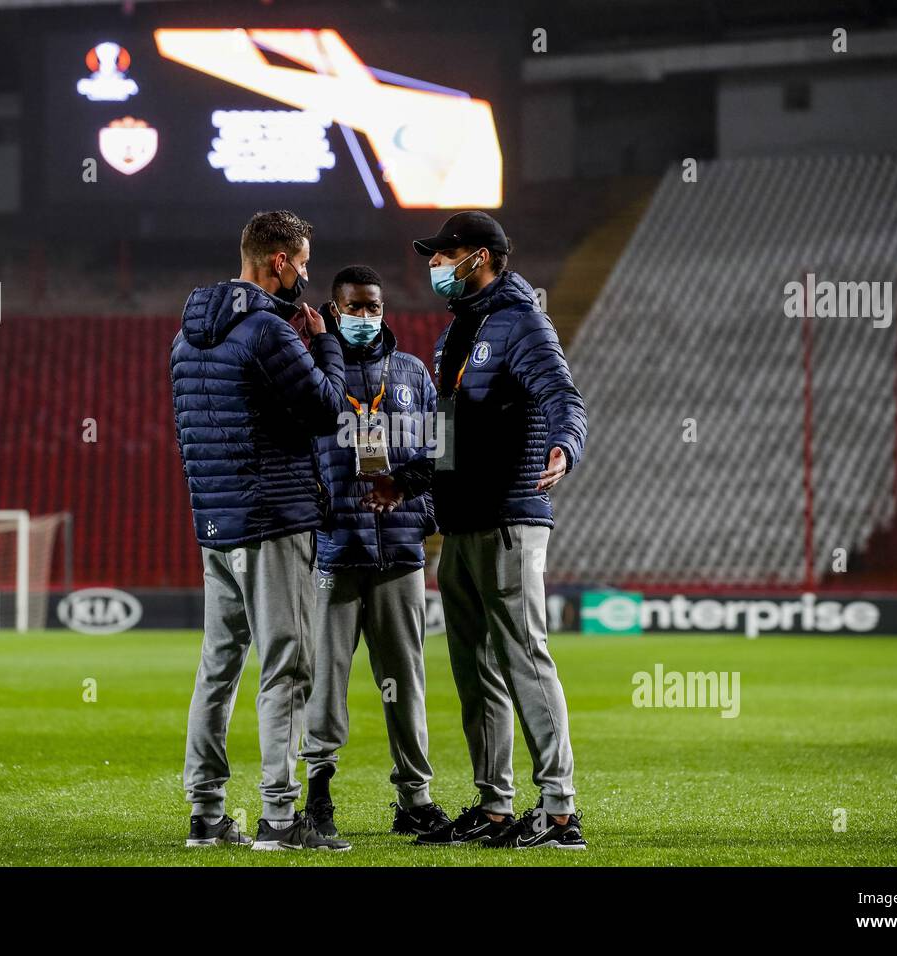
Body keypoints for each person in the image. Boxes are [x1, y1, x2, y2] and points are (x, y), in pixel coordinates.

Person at [365, 210, 589, 849]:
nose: (435, 264)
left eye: (446, 254)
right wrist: (406, 482)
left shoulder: (522, 322)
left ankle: (561, 811)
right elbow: (451, 440)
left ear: (481, 257)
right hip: (462, 524)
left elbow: (564, 399)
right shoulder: (459, 333)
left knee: (524, 657)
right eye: (434, 255)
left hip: (510, 517)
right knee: (476, 670)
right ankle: (495, 806)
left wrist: (565, 447)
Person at [170, 209, 350, 851]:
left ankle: (206, 813)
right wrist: (322, 342)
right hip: (273, 521)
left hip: (216, 526)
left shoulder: (186, 337)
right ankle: (278, 817)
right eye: (302, 264)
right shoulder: (269, 333)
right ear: (279, 261)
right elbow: (327, 411)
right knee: (285, 666)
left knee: (217, 668)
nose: (305, 275)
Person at [299, 265, 452, 841]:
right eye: (355, 308)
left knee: (405, 679)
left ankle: (415, 798)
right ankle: (317, 795)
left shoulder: (412, 372)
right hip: (336, 550)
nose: (366, 317)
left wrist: (427, 514)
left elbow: (444, 449)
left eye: (374, 307)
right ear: (334, 311)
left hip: (401, 555)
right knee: (325, 680)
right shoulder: (316, 371)